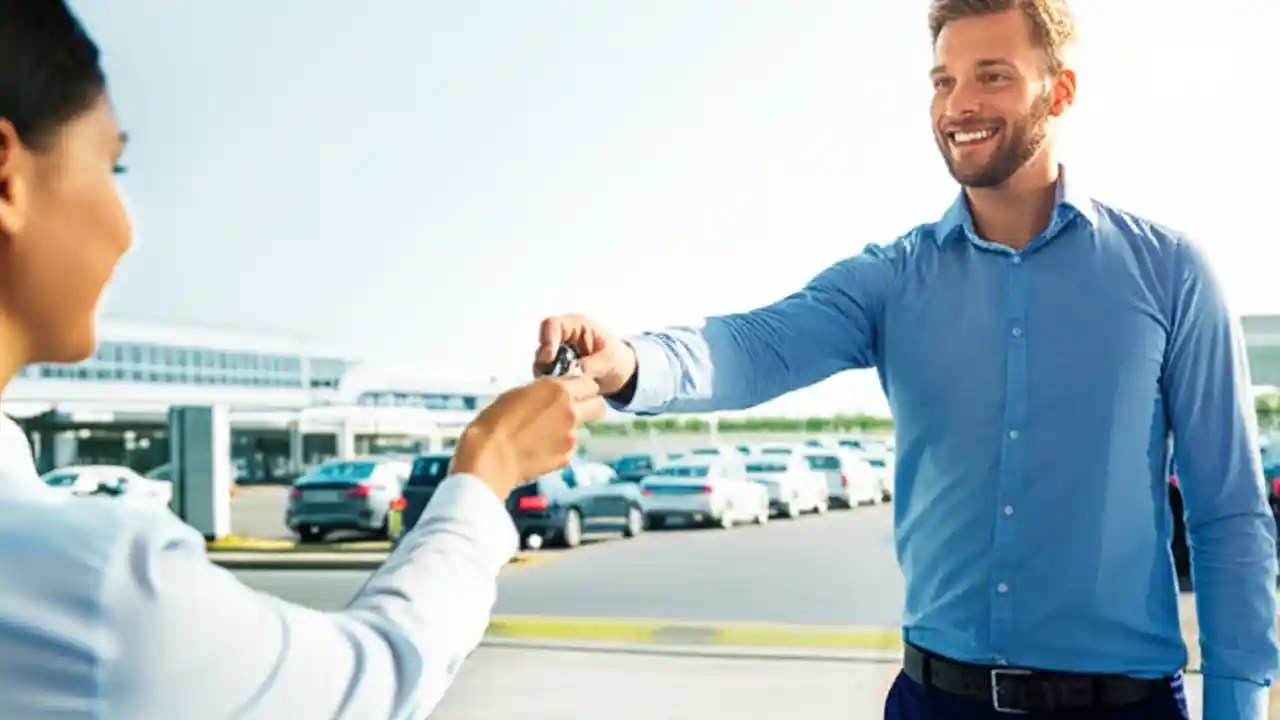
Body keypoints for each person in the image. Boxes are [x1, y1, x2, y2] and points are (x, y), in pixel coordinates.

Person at [536, 1, 1277, 718]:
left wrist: (1239, 707)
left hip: (1122, 707)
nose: (959, 104)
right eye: (943, 80)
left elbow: (1229, 514)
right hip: (936, 704)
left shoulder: (1170, 273)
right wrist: (631, 361)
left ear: (1061, 91)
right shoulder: (892, 278)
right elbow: (754, 344)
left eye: (992, 75)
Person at [0, 1, 604, 717]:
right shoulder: (93, 586)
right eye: (113, 164)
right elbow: (379, 673)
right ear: (8, 175)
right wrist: (488, 466)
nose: (126, 228)